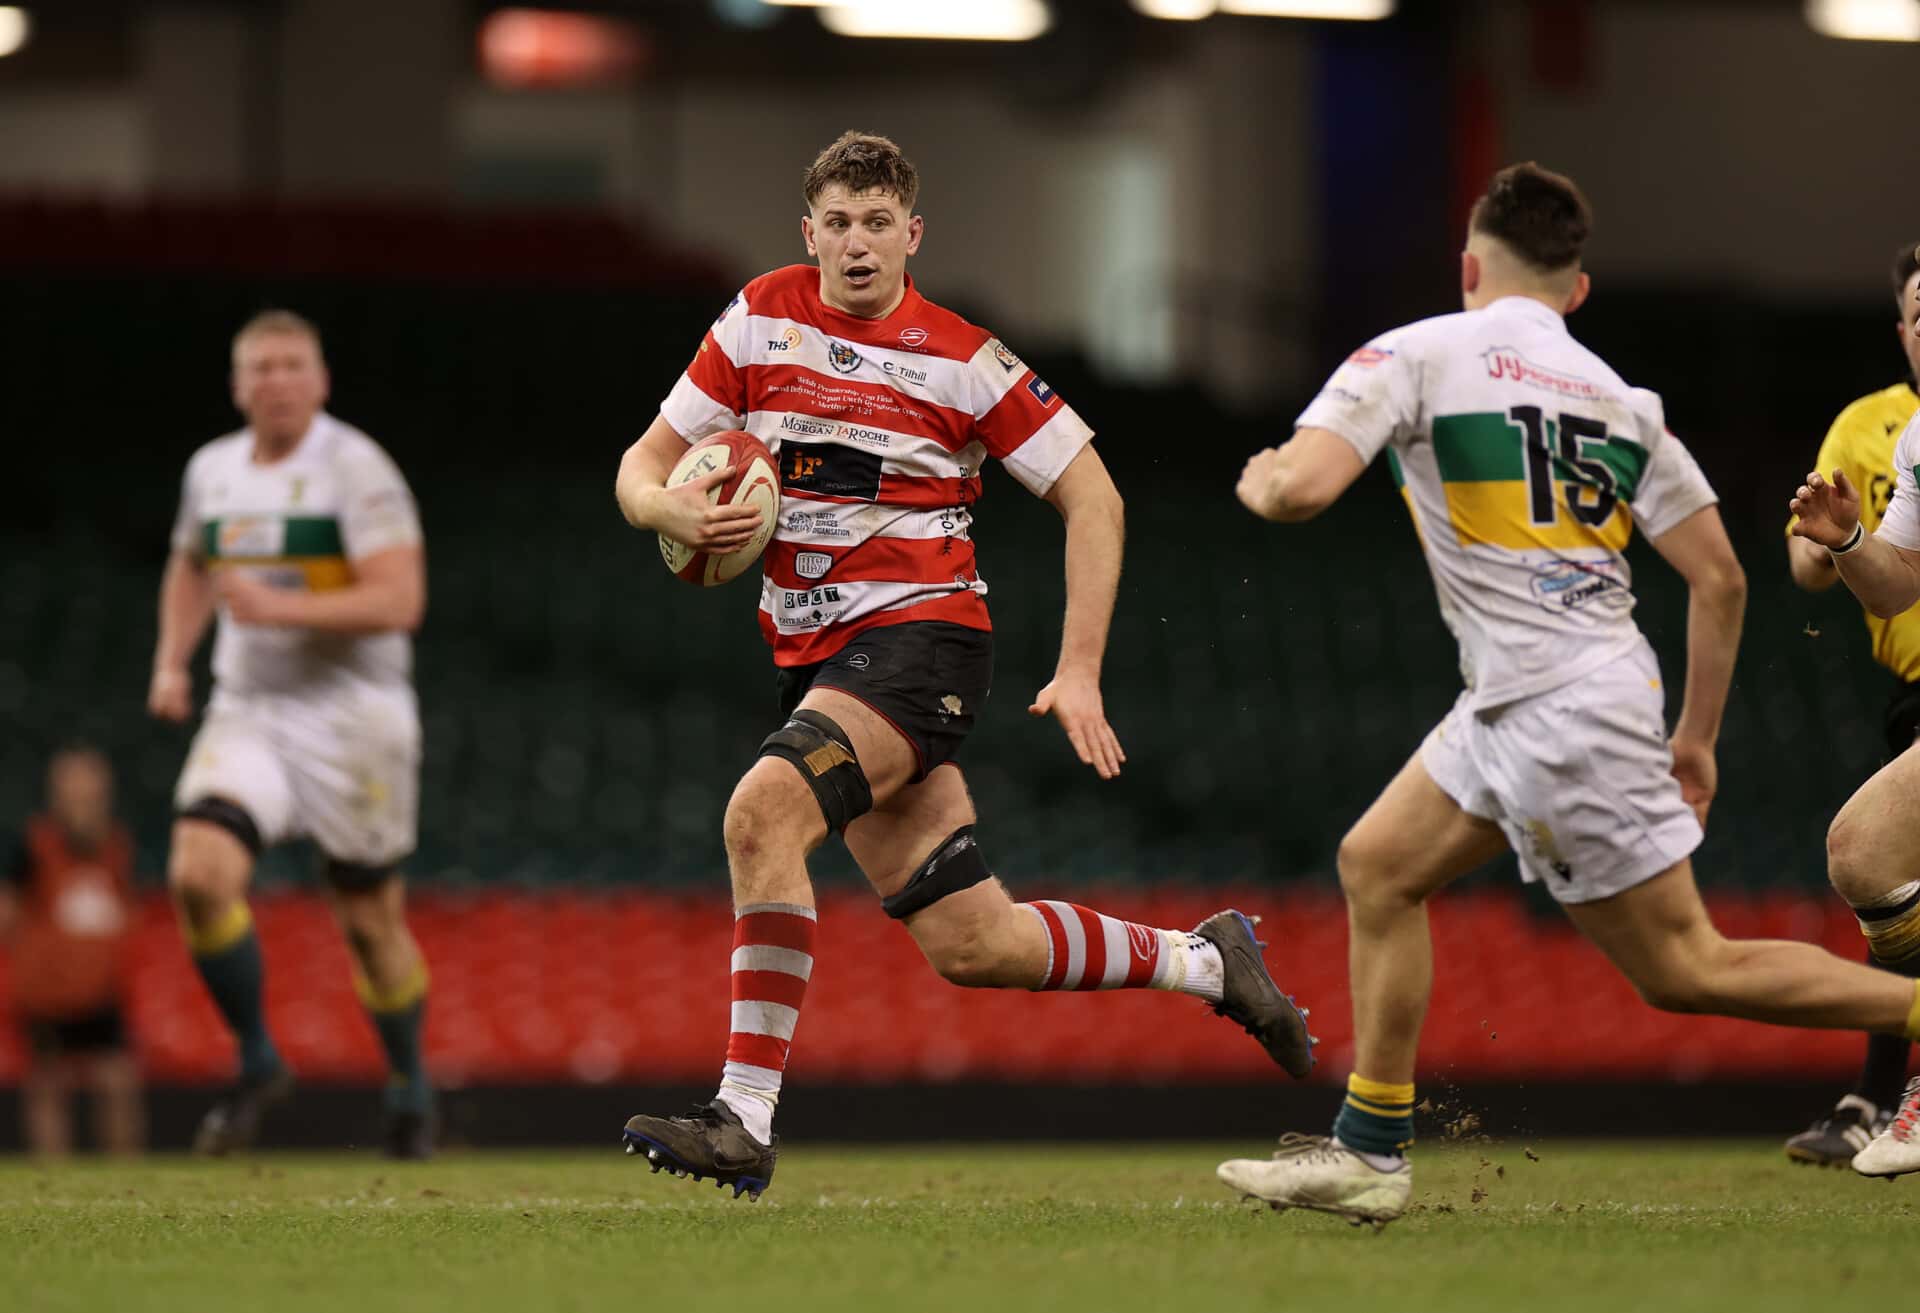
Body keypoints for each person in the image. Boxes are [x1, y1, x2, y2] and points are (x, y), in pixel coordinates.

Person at [613, 131, 1313, 1199]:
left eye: (878, 223)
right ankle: (1210, 961)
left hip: (921, 641)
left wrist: (1079, 667)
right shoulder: (758, 317)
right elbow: (643, 464)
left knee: (761, 815)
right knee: (976, 941)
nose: (857, 244)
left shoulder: (963, 356)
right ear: (810, 232)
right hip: (820, 661)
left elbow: (1096, 496)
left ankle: (742, 1119)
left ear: (912, 234)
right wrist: (663, 505)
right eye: (838, 223)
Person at [1217, 162, 1920, 1227]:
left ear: (1468, 267)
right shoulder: (1617, 396)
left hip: (1554, 703)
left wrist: (1260, 473)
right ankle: (1370, 1147)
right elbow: (1721, 575)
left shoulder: (1415, 351)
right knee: (1379, 865)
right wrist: (1698, 737)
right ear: (1576, 288)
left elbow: (1302, 489)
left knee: (1688, 968)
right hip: (1544, 691)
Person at [150, 309, 434, 1159]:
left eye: (291, 365)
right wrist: (172, 661)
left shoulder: (356, 469)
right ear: (238, 385)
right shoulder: (213, 470)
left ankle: (410, 1085)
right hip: (251, 710)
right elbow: (191, 562)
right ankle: (258, 1058)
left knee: (368, 924)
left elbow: (399, 600)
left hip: (354, 719)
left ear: (320, 380)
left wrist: (282, 607)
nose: (275, 380)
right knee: (198, 873)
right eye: (259, 367)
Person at [1779, 243, 1920, 1167]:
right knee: (1863, 852)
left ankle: (1886, 1093)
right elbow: (1896, 586)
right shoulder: (1903, 438)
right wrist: (1849, 538)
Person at [2, 745, 143, 1155]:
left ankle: (128, 1181)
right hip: (46, 991)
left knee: (117, 1080)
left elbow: (122, 907)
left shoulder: (117, 846)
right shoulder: (30, 847)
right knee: (48, 1084)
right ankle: (52, 1179)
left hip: (100, 987)